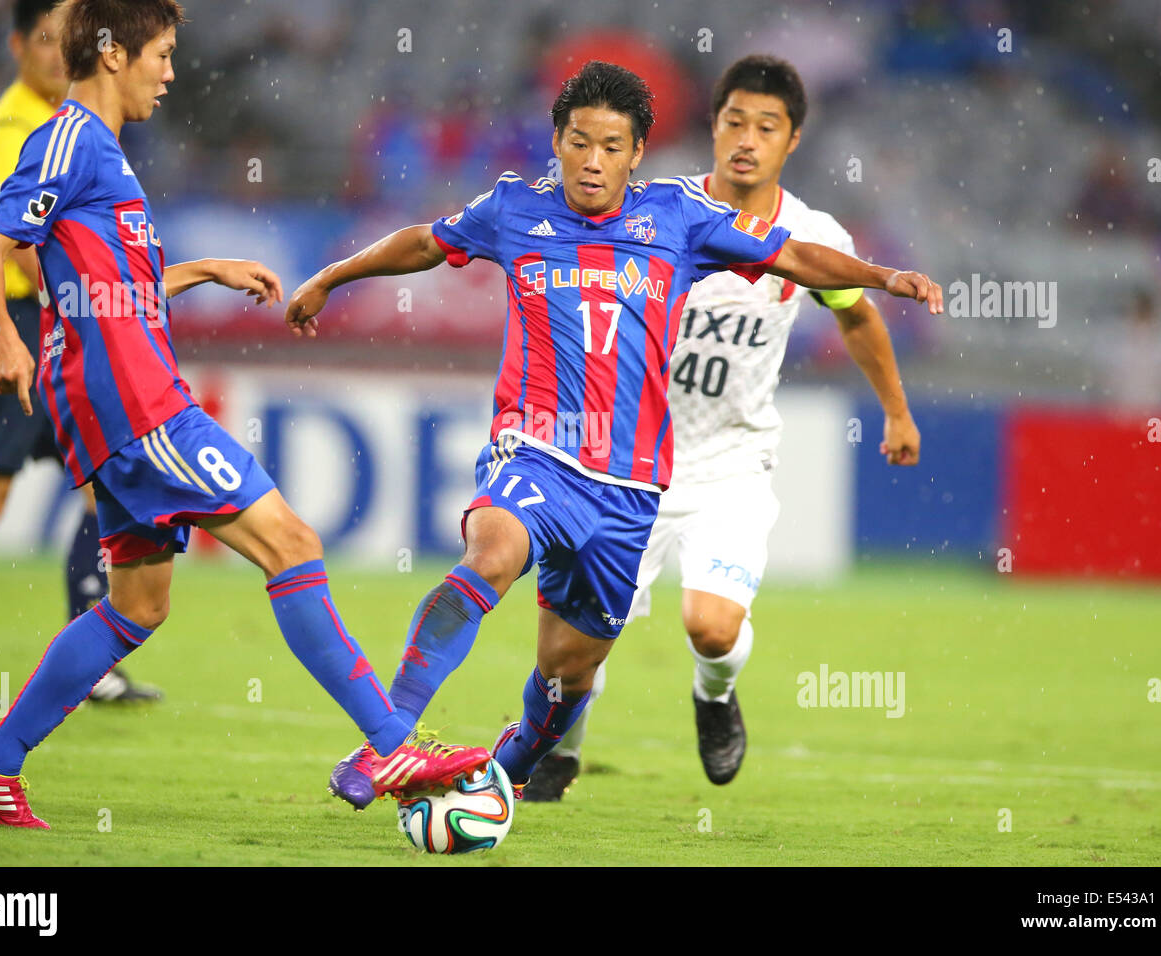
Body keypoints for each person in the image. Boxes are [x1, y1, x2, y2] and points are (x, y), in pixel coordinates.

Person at [286, 59, 943, 802]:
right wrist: (331, 277)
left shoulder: (678, 218)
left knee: (570, 673)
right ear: (556, 141)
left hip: (632, 487)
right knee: (491, 551)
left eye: (610, 147)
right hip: (538, 448)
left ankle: (510, 770)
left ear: (636, 154)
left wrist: (883, 276)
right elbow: (427, 242)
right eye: (577, 142)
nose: (592, 162)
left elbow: (792, 253)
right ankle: (390, 741)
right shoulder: (512, 209)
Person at [0, 0, 488, 829]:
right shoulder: (68, 137)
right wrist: (1, 340)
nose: (170, 72)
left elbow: (112, 285)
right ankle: (387, 744)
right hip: (136, 404)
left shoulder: (105, 156)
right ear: (115, 54)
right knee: (293, 544)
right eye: (161, 54)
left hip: (117, 404)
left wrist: (202, 269)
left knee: (138, 605)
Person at [528, 54, 923, 800]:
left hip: (731, 464)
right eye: (734, 121)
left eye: (765, 127)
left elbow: (859, 316)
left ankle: (714, 695)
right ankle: (561, 752)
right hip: (625, 465)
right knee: (570, 656)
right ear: (713, 125)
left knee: (711, 626)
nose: (746, 139)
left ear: (792, 140)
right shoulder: (656, 211)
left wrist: (896, 411)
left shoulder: (808, 233)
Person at [0, 0, 159, 707]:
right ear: (17, 44)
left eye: (70, 39)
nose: (60, 53)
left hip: (67, 335)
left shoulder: (78, 129)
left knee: (100, 493)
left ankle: (91, 666)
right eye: (46, 39)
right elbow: (8, 244)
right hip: (15, 328)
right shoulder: (13, 125)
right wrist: (12, 329)